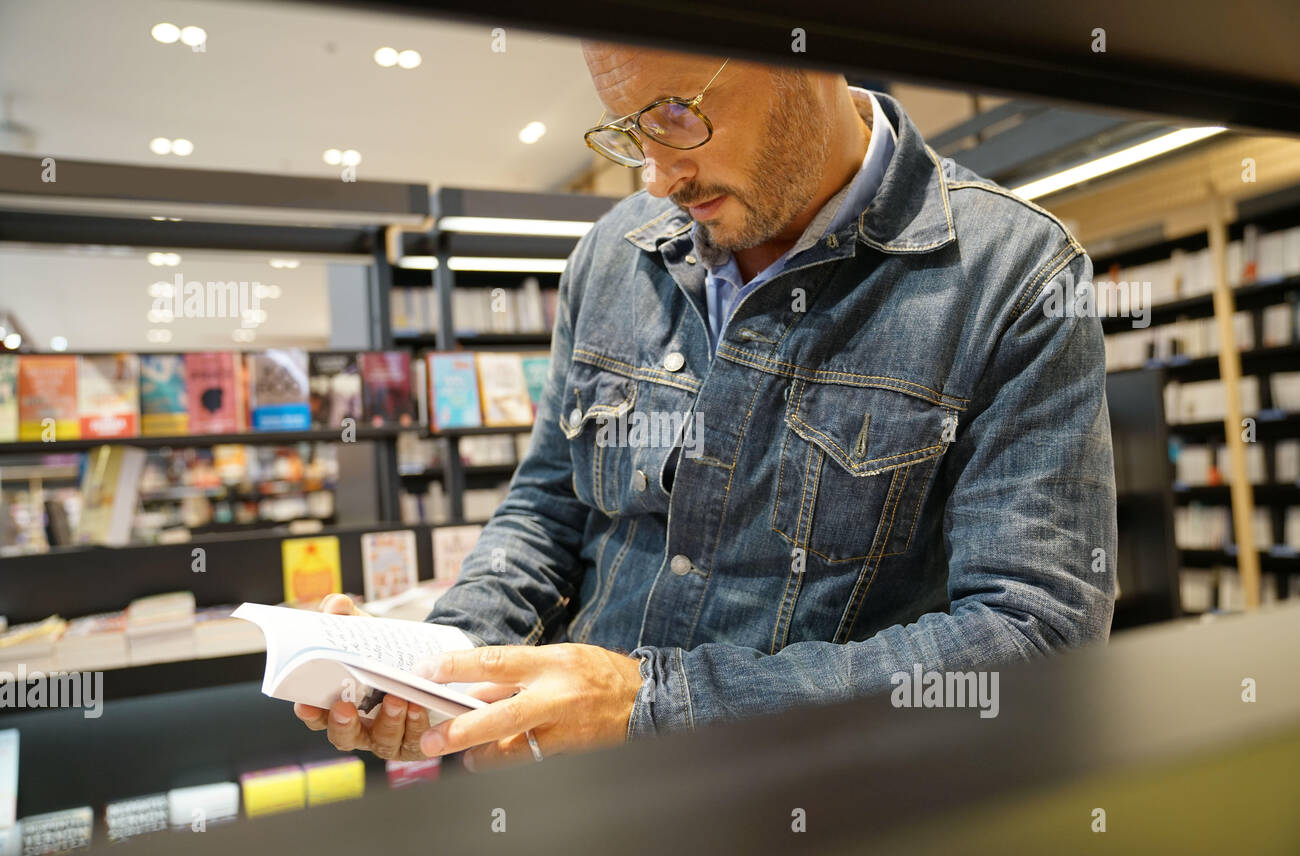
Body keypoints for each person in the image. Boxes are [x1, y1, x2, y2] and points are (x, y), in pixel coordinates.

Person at [295, 41, 1116, 770]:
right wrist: (442, 659)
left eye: (678, 114)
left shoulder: (1014, 276)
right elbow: (548, 509)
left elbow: (1035, 633)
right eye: (627, 129)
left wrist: (652, 705)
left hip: (826, 806)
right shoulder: (612, 256)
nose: (655, 174)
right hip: (589, 799)